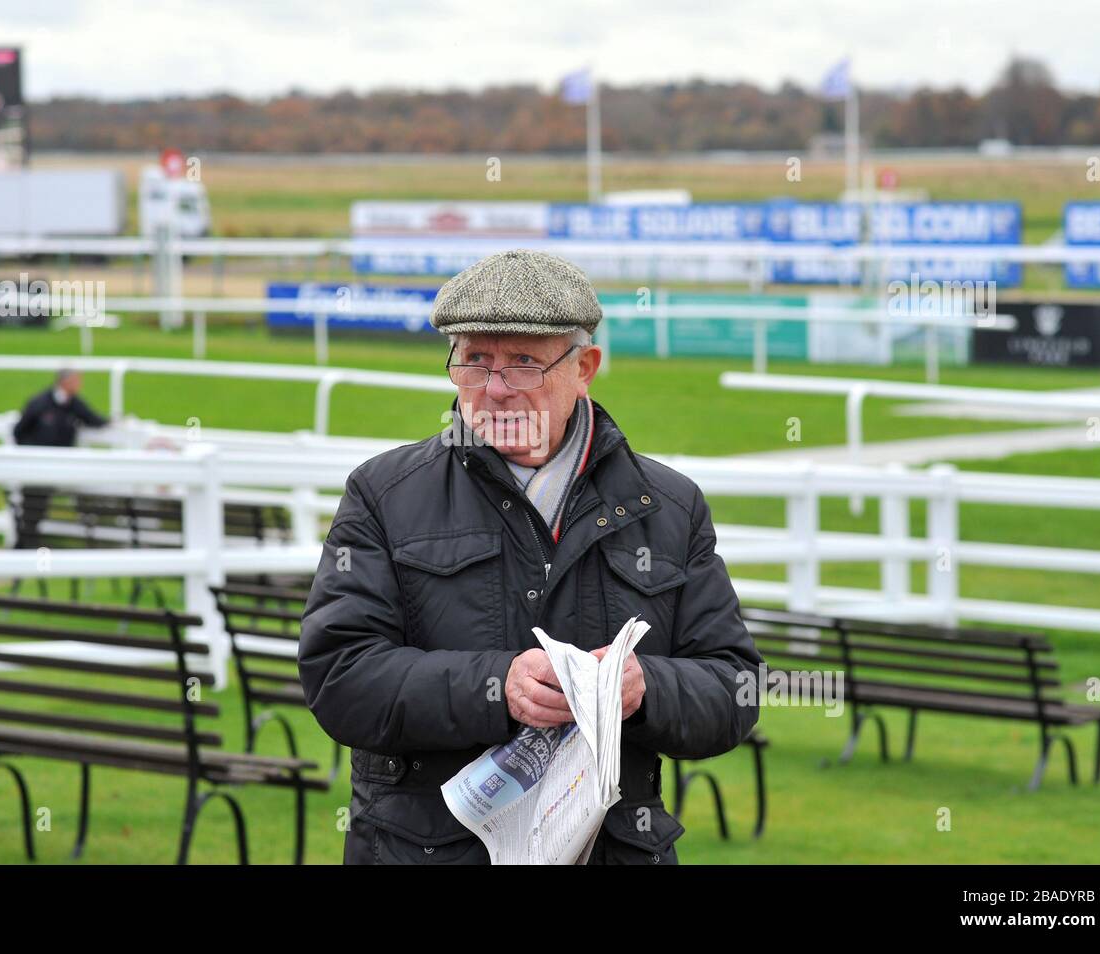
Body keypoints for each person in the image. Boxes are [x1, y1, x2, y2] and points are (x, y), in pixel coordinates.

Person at [299, 249, 763, 865]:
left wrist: (643, 688)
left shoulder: (669, 507)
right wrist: (498, 687)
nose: (494, 390)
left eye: (523, 362)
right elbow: (340, 676)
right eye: (475, 361)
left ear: (586, 367)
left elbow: (734, 685)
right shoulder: (384, 494)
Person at [11, 369, 109, 549]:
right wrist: (32, 455)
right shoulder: (40, 403)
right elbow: (19, 432)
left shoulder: (73, 403)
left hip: (59, 467)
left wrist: (114, 421)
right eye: (76, 381)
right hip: (37, 467)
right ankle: (25, 544)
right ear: (64, 382)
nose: (79, 385)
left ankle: (28, 545)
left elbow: (93, 419)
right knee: (33, 504)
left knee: (40, 505)